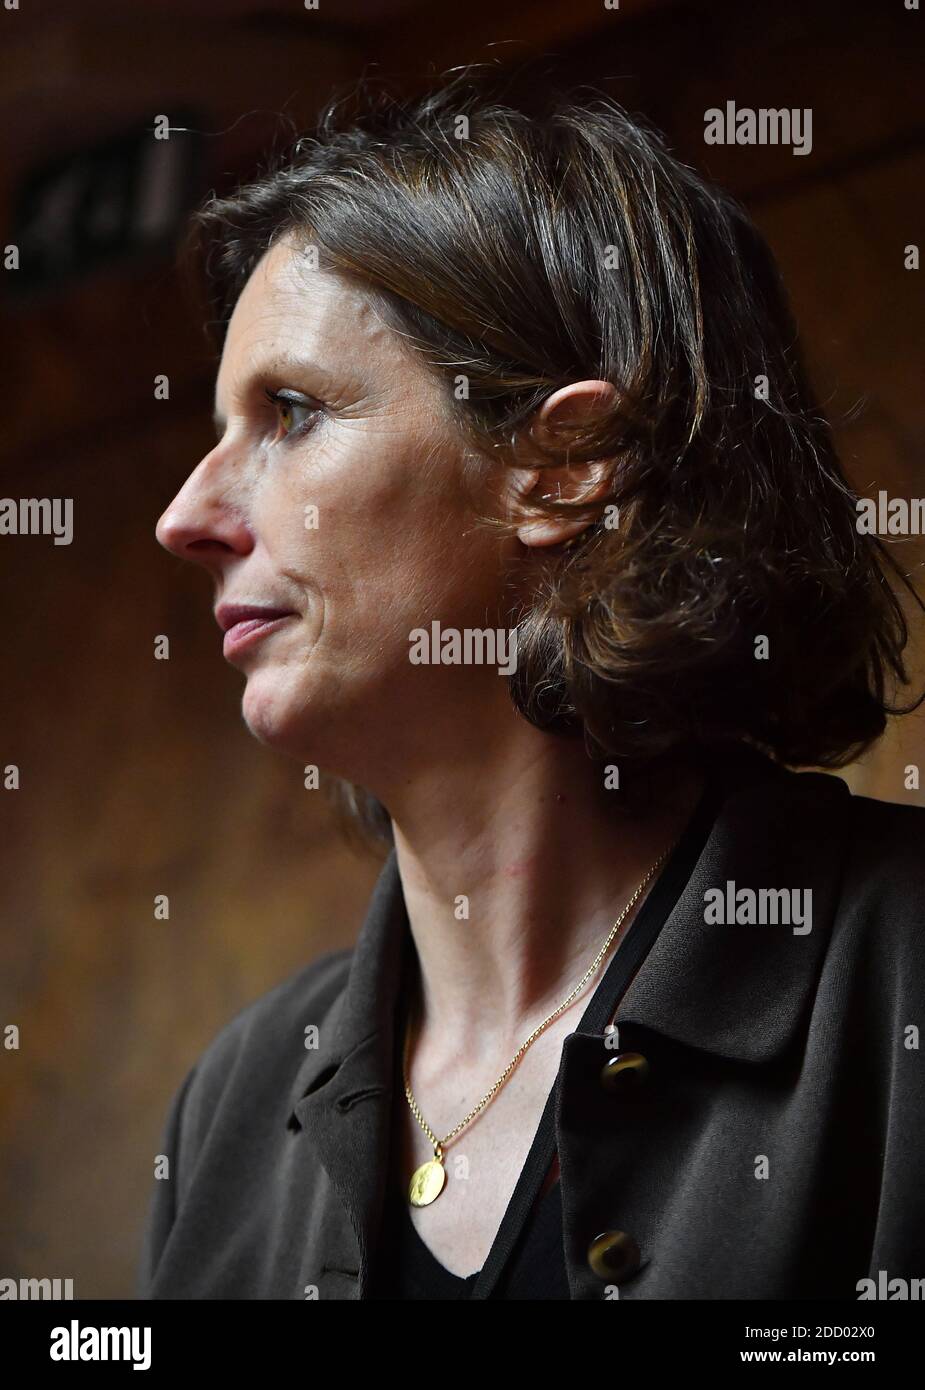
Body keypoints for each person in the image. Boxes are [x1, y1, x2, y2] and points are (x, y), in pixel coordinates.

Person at [141, 69, 925, 1300]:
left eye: (289, 412)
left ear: (563, 466)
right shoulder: (229, 1107)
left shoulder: (903, 976)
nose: (184, 516)